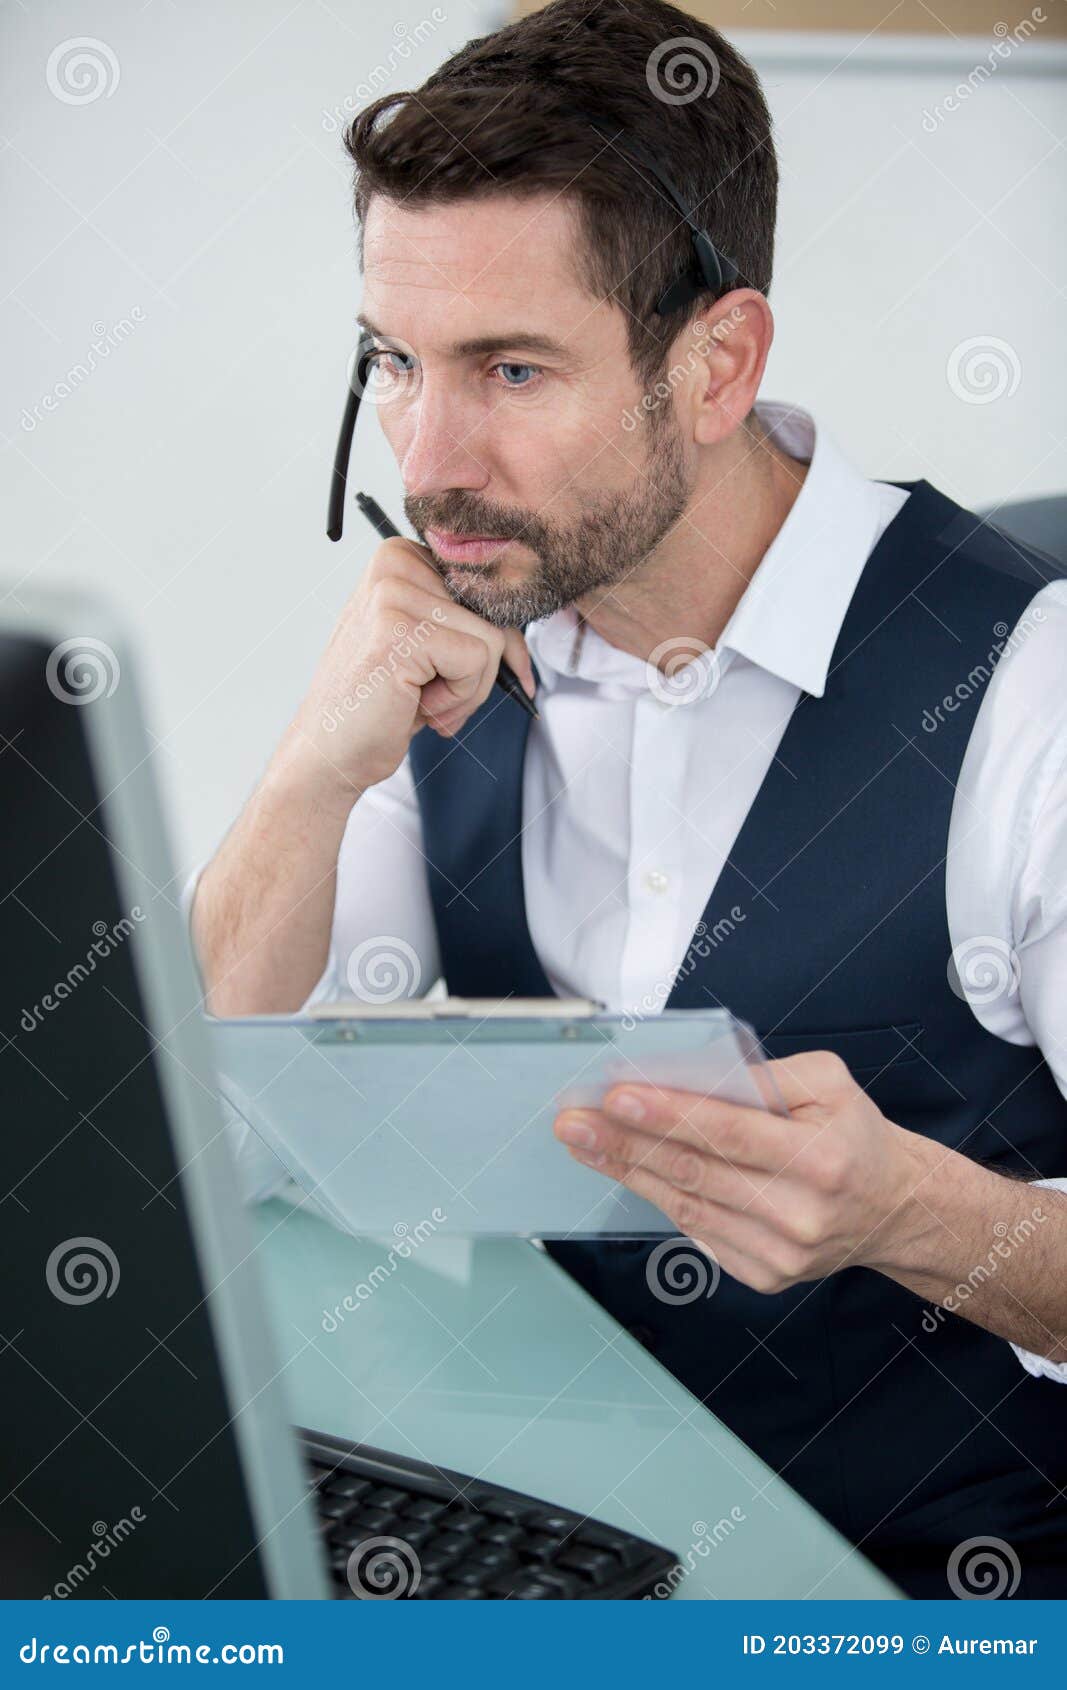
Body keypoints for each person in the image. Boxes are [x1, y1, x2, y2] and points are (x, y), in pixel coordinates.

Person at [188, 0, 1067, 1598]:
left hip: (934, 1592)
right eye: (396, 361)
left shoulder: (1027, 693)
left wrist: (911, 1213)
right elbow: (190, 1122)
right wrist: (317, 765)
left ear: (718, 363)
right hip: (574, 1535)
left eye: (511, 368)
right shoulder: (456, 629)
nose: (434, 455)